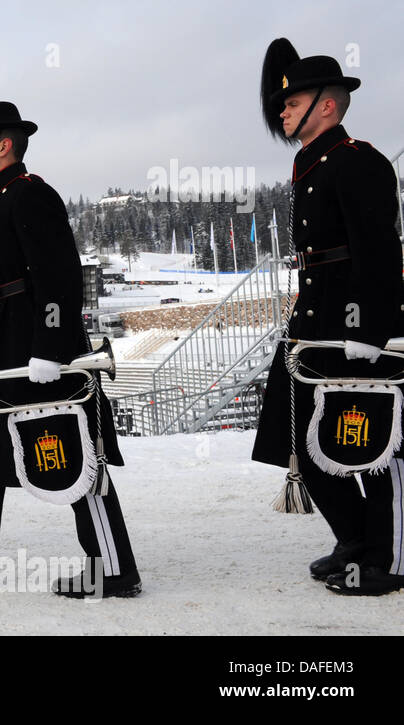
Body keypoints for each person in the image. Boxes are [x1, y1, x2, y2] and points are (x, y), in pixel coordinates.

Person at [0, 89, 141, 598]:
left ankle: (115, 567)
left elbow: (58, 277)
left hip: (37, 345)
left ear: (5, 143)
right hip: (4, 341)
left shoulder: (30, 192)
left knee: (77, 453)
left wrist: (51, 348)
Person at [252, 39, 404, 595]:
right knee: (296, 437)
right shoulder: (310, 163)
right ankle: (357, 539)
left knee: (379, 446)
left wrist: (369, 330)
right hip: (312, 324)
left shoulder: (357, 159)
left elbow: (379, 252)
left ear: (328, 106)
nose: (282, 111)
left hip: (354, 326)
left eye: (291, 102)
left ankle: (390, 559)